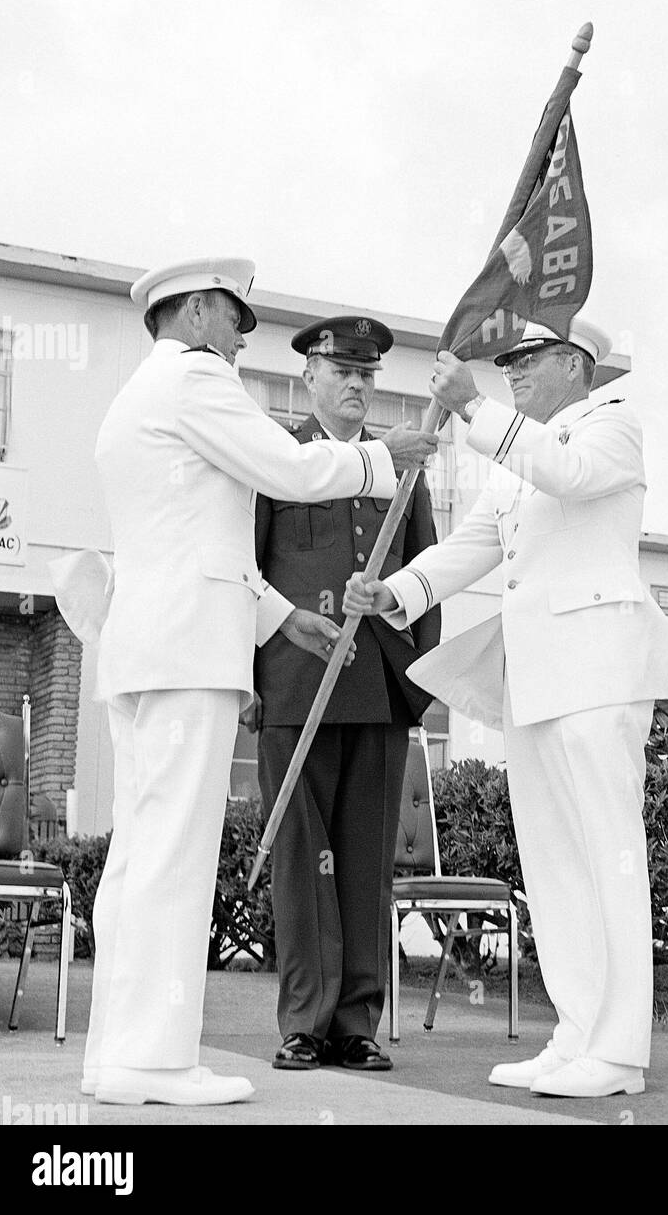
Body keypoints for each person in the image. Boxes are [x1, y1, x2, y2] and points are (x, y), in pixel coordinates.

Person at [74, 258, 437, 1107]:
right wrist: (391, 454)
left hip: (156, 645)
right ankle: (156, 1062)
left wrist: (281, 620)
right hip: (187, 651)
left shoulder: (142, 392)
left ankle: (116, 1056)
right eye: (236, 317)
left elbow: (208, 539)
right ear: (197, 312)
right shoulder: (196, 379)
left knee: (140, 858)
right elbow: (296, 473)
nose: (243, 337)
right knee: (173, 858)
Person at [344, 316, 668, 1099]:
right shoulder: (513, 453)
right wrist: (394, 592)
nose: (510, 369)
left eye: (526, 358)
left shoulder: (609, 427)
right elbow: (471, 545)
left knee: (606, 856)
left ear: (576, 365)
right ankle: (576, 1033)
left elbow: (566, 475)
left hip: (599, 670)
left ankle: (618, 1051)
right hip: (534, 674)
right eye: (503, 360)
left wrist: (472, 408)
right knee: (553, 863)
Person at [249, 315, 441, 1074]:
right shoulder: (277, 457)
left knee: (363, 859)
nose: (358, 385)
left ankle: (356, 1022)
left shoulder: (404, 467)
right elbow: (246, 568)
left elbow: (427, 570)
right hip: (295, 685)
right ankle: (304, 1019)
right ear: (310, 378)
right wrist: (246, 676)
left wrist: (417, 681)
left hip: (377, 685)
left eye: (368, 374)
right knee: (303, 858)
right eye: (343, 372)